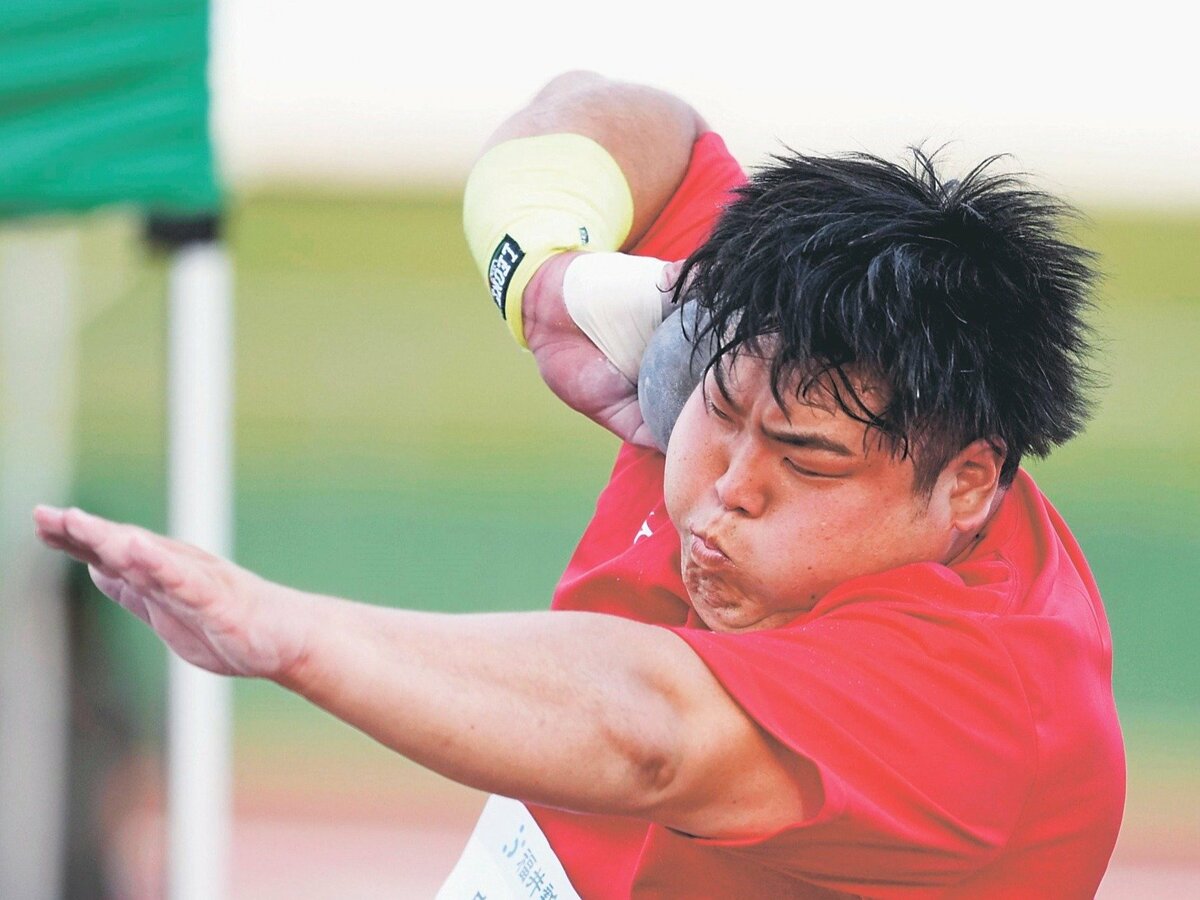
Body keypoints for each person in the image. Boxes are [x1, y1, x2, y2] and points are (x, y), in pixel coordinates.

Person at [34, 72, 1124, 898]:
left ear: (967, 485)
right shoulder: (750, 331)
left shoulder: (998, 701)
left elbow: (651, 734)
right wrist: (550, 273)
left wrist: (293, 634)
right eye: (721, 414)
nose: (724, 488)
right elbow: (614, 113)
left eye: (805, 460)